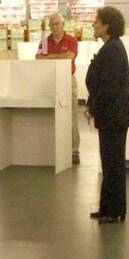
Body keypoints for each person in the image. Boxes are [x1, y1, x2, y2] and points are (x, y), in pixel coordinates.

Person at [84, 6, 129, 223]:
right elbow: (99, 84)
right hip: (110, 114)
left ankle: (115, 210)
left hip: (114, 115)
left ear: (106, 25)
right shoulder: (110, 47)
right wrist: (91, 104)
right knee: (109, 162)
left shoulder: (113, 50)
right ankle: (107, 208)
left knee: (113, 163)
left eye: (97, 21)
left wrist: (93, 106)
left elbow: (108, 87)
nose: (93, 24)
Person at [36, 11, 80, 164]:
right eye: (52, 24)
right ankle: (54, 149)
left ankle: (74, 150)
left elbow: (70, 57)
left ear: (63, 25)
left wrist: (49, 57)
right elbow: (39, 58)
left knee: (72, 116)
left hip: (68, 80)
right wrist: (58, 57)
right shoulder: (45, 41)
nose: (55, 27)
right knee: (51, 115)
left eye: (57, 24)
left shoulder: (71, 40)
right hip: (49, 82)